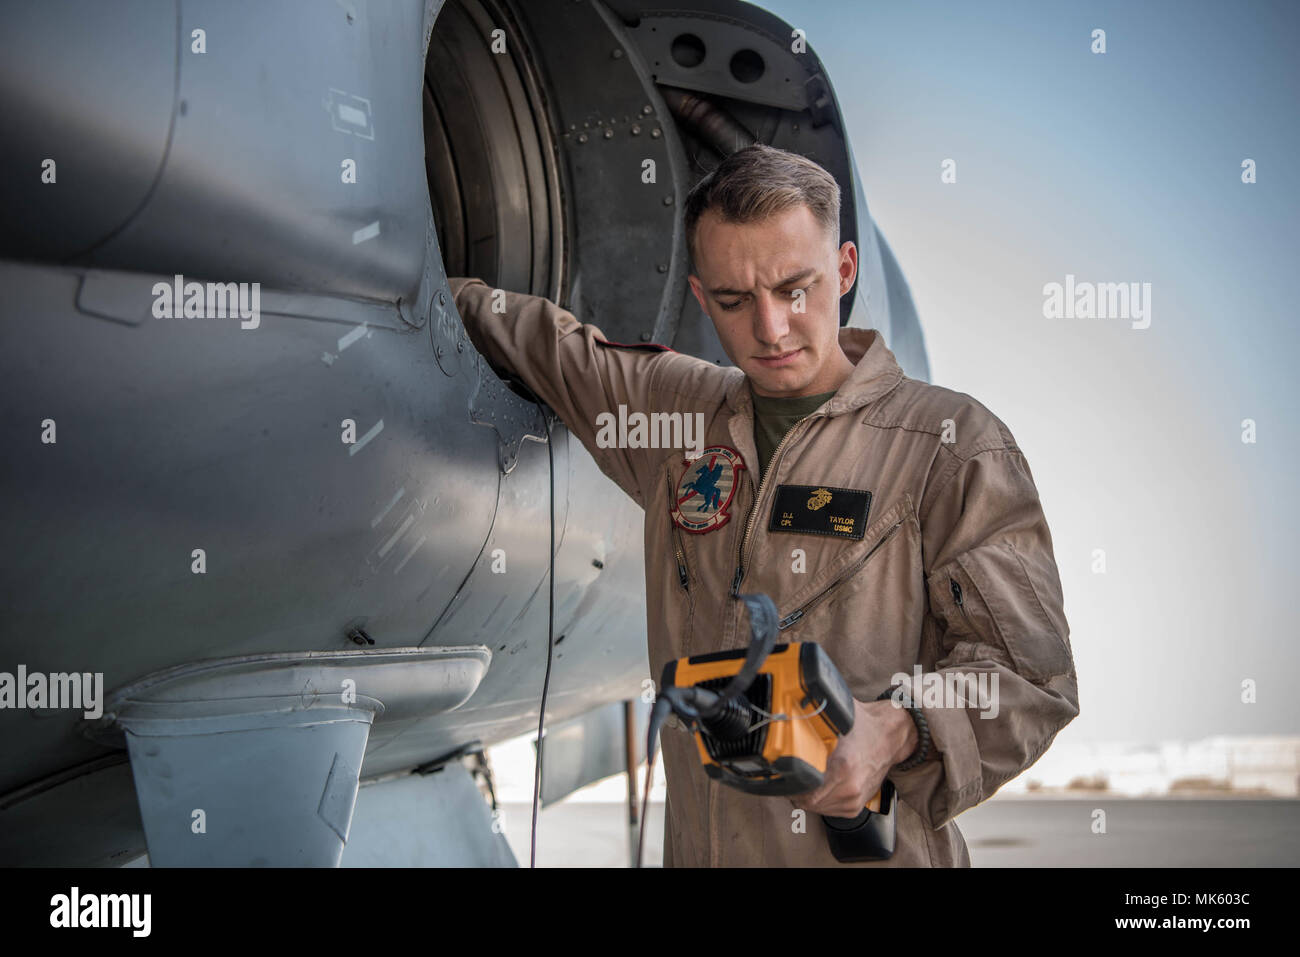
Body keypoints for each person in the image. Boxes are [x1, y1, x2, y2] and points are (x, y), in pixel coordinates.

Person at [449, 143, 1078, 866]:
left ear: (843, 271)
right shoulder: (675, 416)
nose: (771, 328)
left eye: (795, 289)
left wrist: (898, 727)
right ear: (698, 294)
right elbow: (547, 345)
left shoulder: (951, 445)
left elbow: (1033, 679)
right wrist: (413, 289)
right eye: (734, 300)